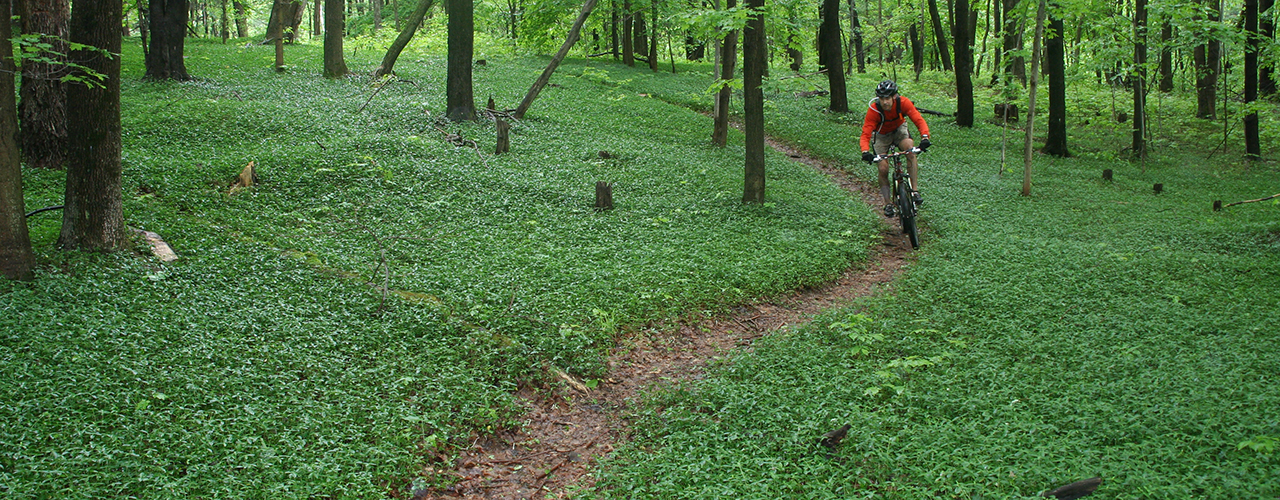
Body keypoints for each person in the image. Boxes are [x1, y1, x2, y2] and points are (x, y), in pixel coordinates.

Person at [860, 80, 931, 217]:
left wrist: (925, 137)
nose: (885, 102)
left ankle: (914, 191)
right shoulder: (874, 110)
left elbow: (918, 119)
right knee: (883, 168)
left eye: (887, 98)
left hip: (899, 130)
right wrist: (865, 151)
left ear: (894, 96)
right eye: (882, 99)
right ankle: (888, 203)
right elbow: (866, 133)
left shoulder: (903, 103)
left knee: (910, 150)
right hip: (881, 135)